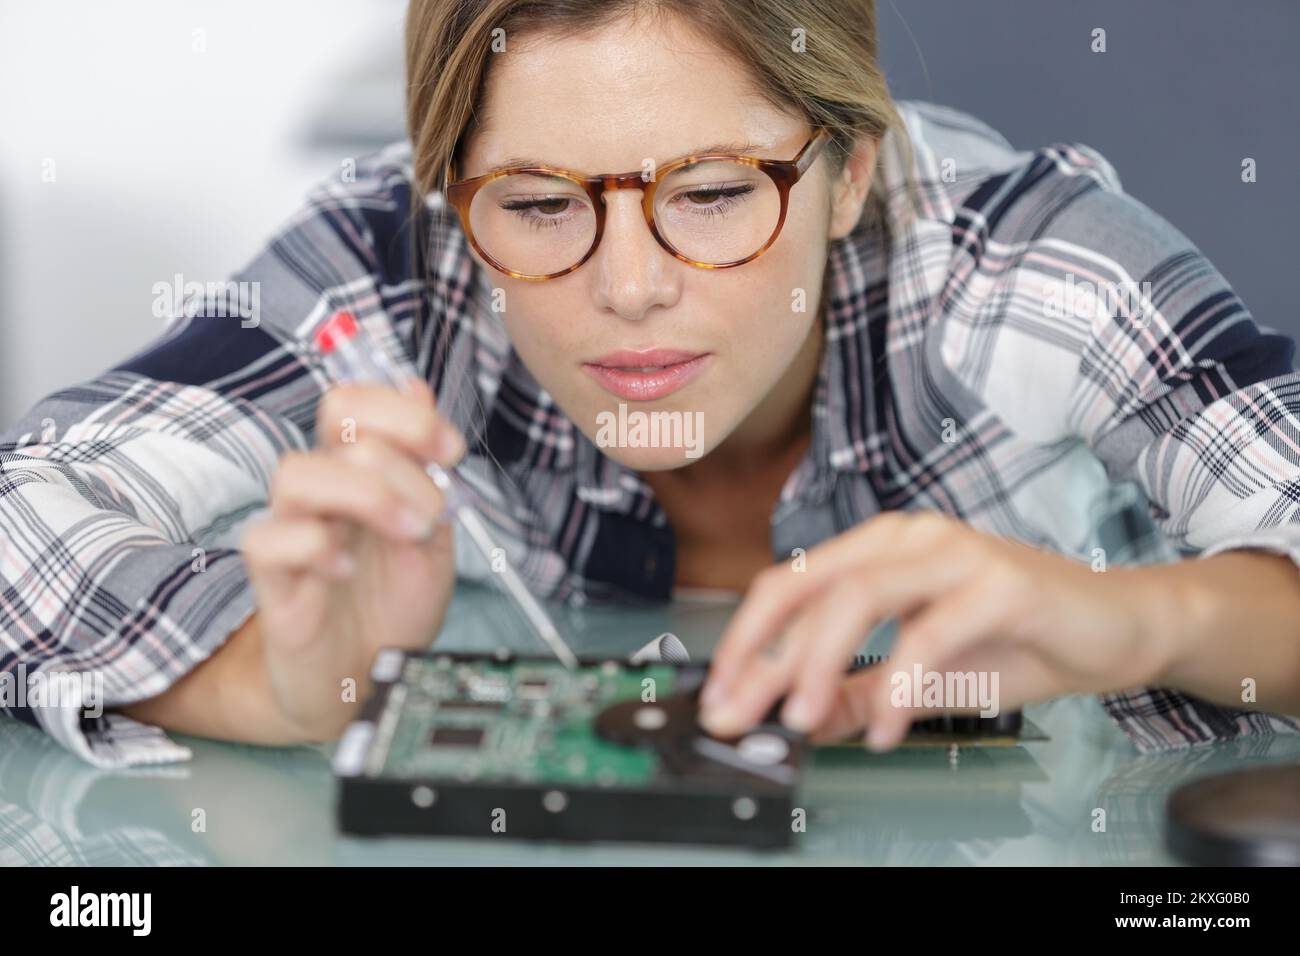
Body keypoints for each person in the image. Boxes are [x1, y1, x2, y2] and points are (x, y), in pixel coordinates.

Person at [2, 0, 1299, 769]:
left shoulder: (1023, 259)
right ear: (453, 195)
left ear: (851, 171)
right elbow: (25, 517)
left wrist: (1145, 619)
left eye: (719, 192)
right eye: (538, 202)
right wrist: (267, 685)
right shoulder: (388, 262)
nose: (629, 285)